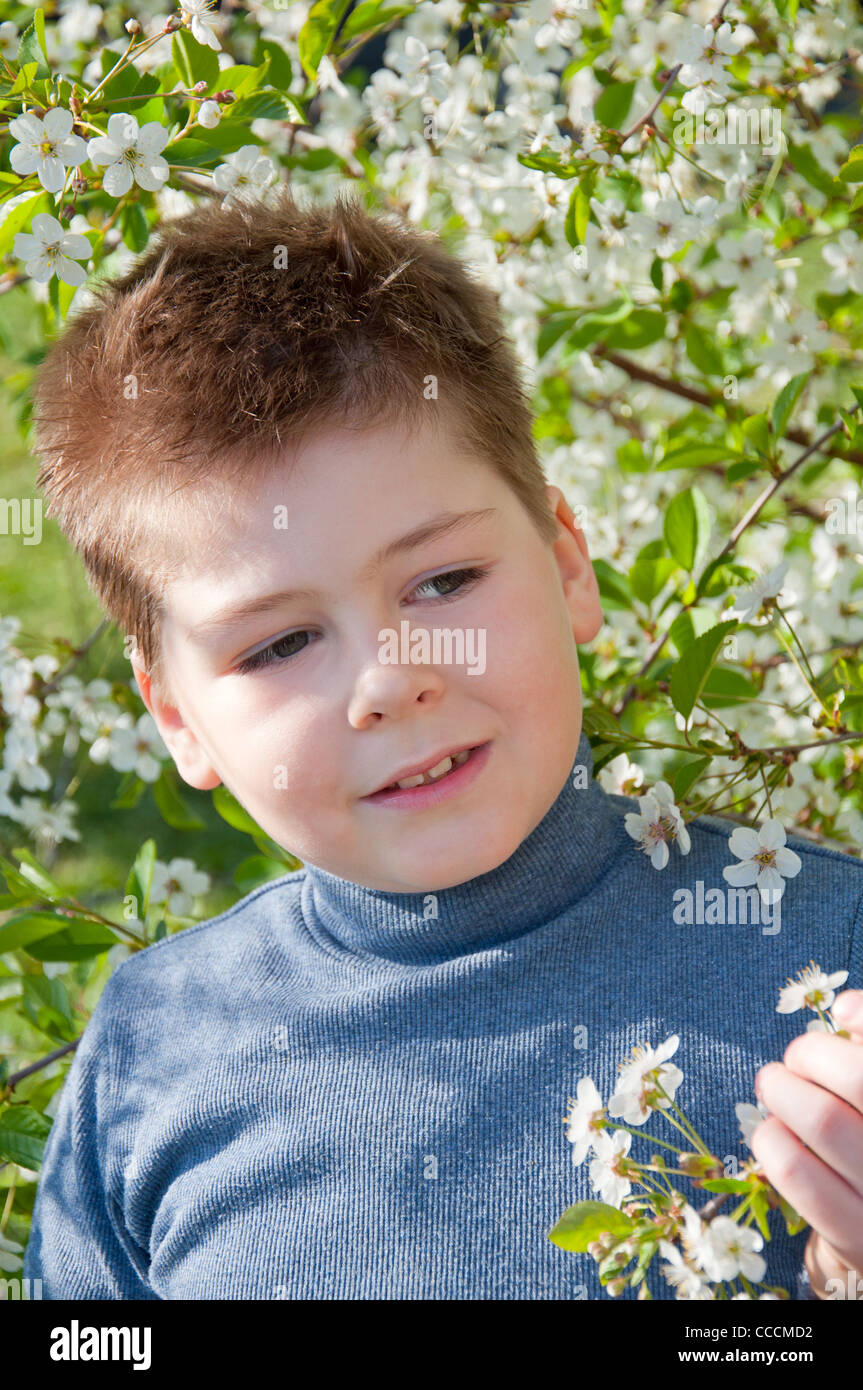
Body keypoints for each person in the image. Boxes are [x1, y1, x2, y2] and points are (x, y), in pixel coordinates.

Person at [23, 188, 863, 1300]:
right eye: (277, 645)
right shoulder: (153, 1053)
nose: (386, 682)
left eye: (442, 581)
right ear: (176, 716)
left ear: (568, 565)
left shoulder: (824, 963)